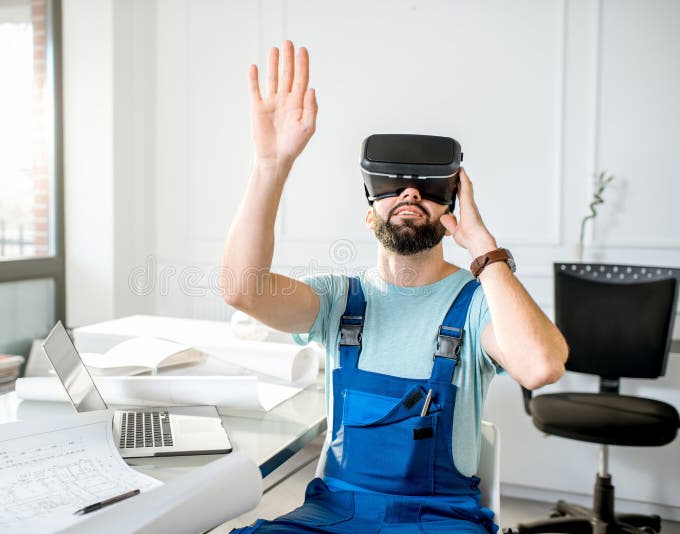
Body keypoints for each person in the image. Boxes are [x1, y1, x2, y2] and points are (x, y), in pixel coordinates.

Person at [220, 40, 568, 533]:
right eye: (394, 187)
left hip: (442, 519)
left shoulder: (477, 307)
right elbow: (241, 290)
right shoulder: (338, 301)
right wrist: (270, 165)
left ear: (451, 209)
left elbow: (542, 367)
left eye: (427, 189)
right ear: (369, 216)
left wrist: (484, 250)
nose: (409, 193)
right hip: (332, 513)